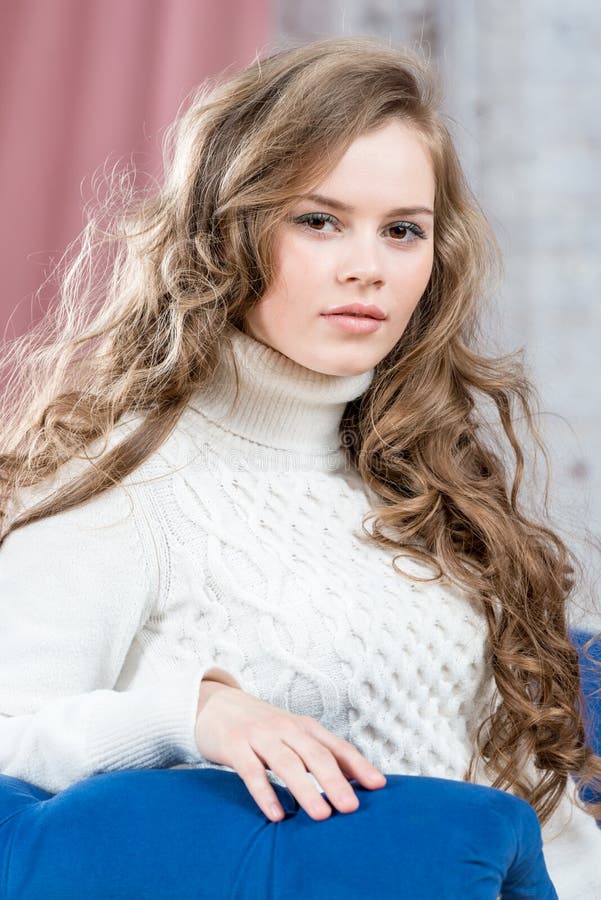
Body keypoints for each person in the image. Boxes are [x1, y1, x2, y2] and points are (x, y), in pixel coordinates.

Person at [0, 34, 599, 898]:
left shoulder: (429, 480)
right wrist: (193, 712)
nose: (368, 268)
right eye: (318, 221)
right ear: (227, 232)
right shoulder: (124, 490)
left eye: (402, 231)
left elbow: (535, 813)